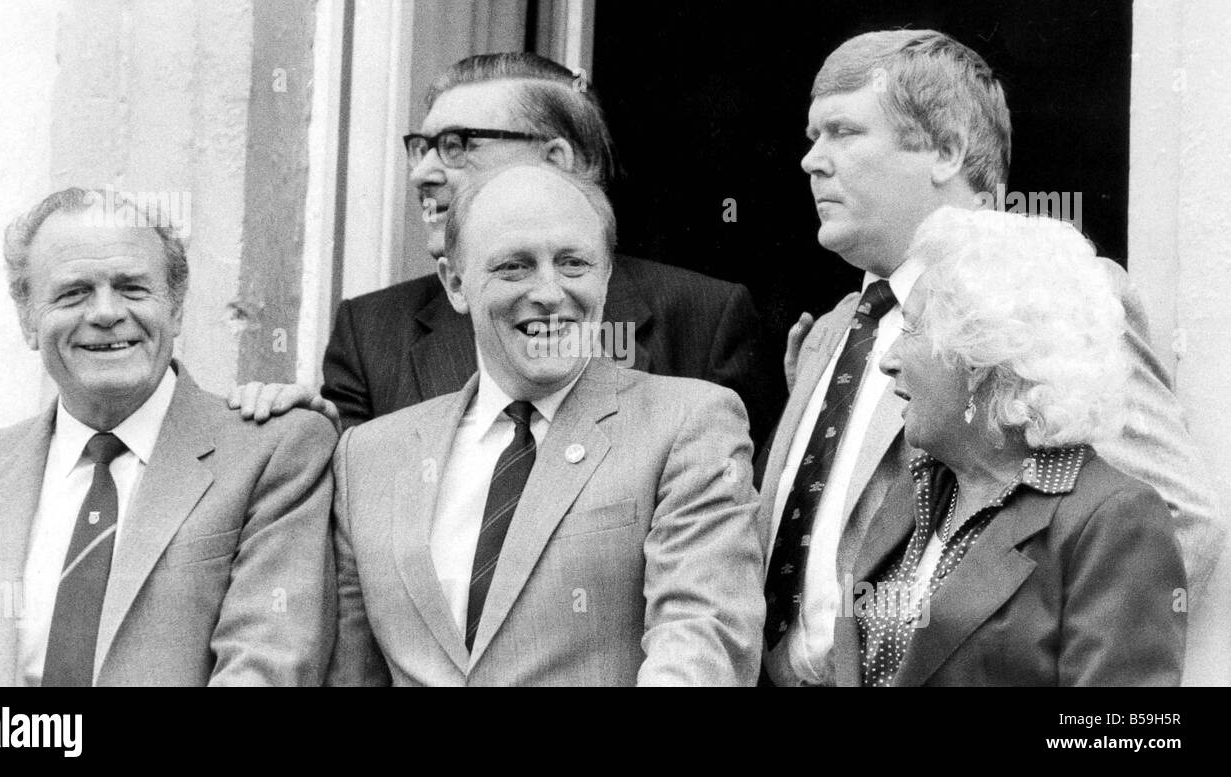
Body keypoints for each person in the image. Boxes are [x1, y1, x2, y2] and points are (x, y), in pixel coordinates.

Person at [758, 29, 1220, 686]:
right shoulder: (838, 328)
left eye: (843, 132)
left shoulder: (1055, 305)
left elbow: (1173, 522)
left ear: (946, 150)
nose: (812, 159)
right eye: (812, 135)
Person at [327, 163, 765, 686]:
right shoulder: (368, 456)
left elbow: (703, 640)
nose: (550, 292)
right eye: (514, 267)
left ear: (606, 276)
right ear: (455, 284)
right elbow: (350, 672)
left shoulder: (689, 424)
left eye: (574, 263)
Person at [232, 52, 783, 447]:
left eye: (457, 145)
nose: (424, 173)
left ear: (556, 158)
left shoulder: (701, 319)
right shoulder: (374, 331)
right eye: (421, 149)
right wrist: (306, 440)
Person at [0, 188, 337, 686]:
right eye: (73, 292)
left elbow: (266, 669)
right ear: (27, 320)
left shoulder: (274, 452)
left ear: (177, 308)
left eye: (132, 288)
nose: (105, 312)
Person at [832, 206, 1185, 686]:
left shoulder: (1113, 518)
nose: (888, 360)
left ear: (977, 358)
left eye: (912, 328)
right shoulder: (919, 484)